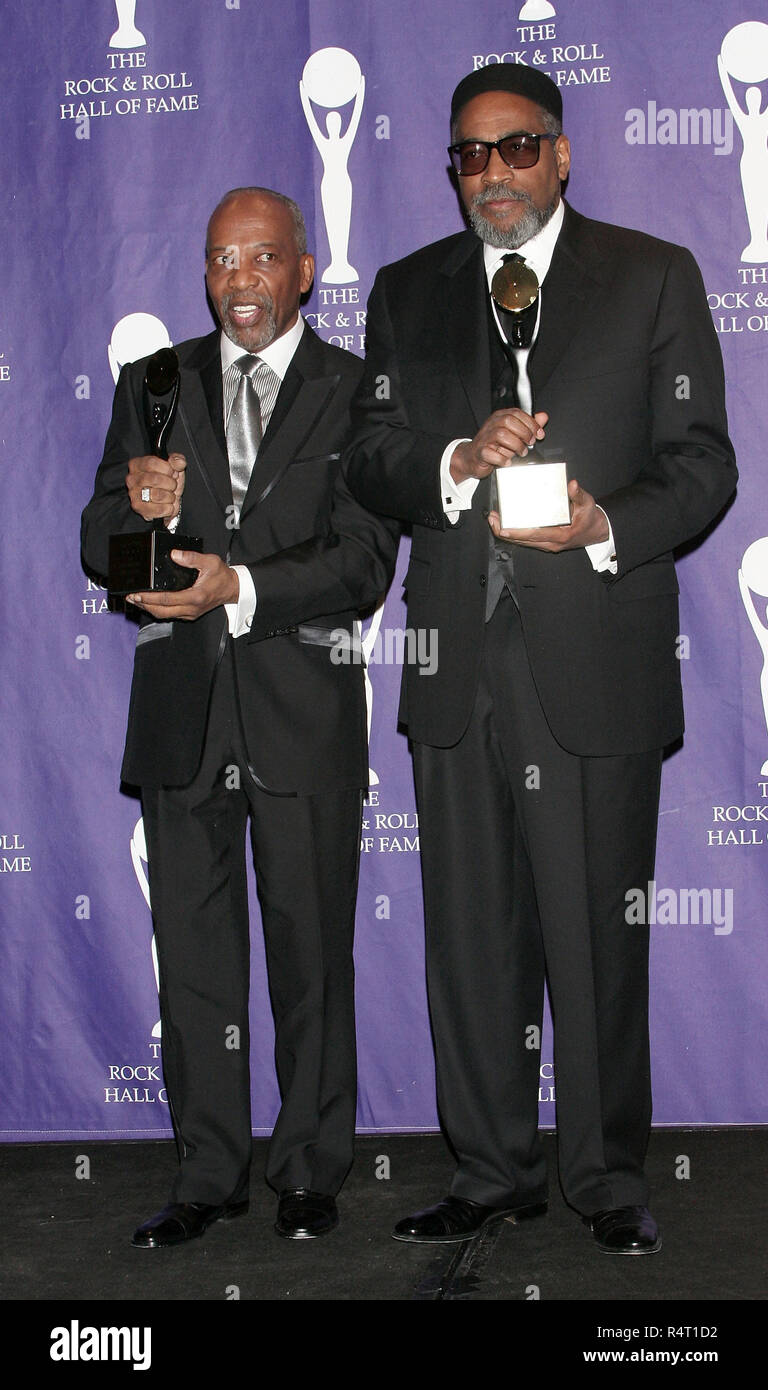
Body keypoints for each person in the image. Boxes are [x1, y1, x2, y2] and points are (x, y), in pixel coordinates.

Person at [345, 66, 737, 1253]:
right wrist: (457, 458)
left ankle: (609, 1177)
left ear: (562, 156)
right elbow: (370, 456)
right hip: (455, 656)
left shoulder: (653, 273)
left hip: (595, 653)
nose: (494, 174)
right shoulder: (409, 292)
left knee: (596, 937)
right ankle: (489, 1170)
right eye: (470, 155)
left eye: (517, 149)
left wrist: (601, 521)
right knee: (471, 940)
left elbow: (704, 466)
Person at [81, 187, 397, 1248]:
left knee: (312, 953)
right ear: (205, 273)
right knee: (200, 958)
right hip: (182, 718)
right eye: (222, 260)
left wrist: (242, 588)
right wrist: (141, 516)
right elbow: (100, 545)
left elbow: (363, 558)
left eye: (263, 259)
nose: (241, 281)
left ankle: (310, 1170)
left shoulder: (357, 391)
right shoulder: (153, 384)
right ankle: (209, 1171)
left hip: (302, 716)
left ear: (304, 271)